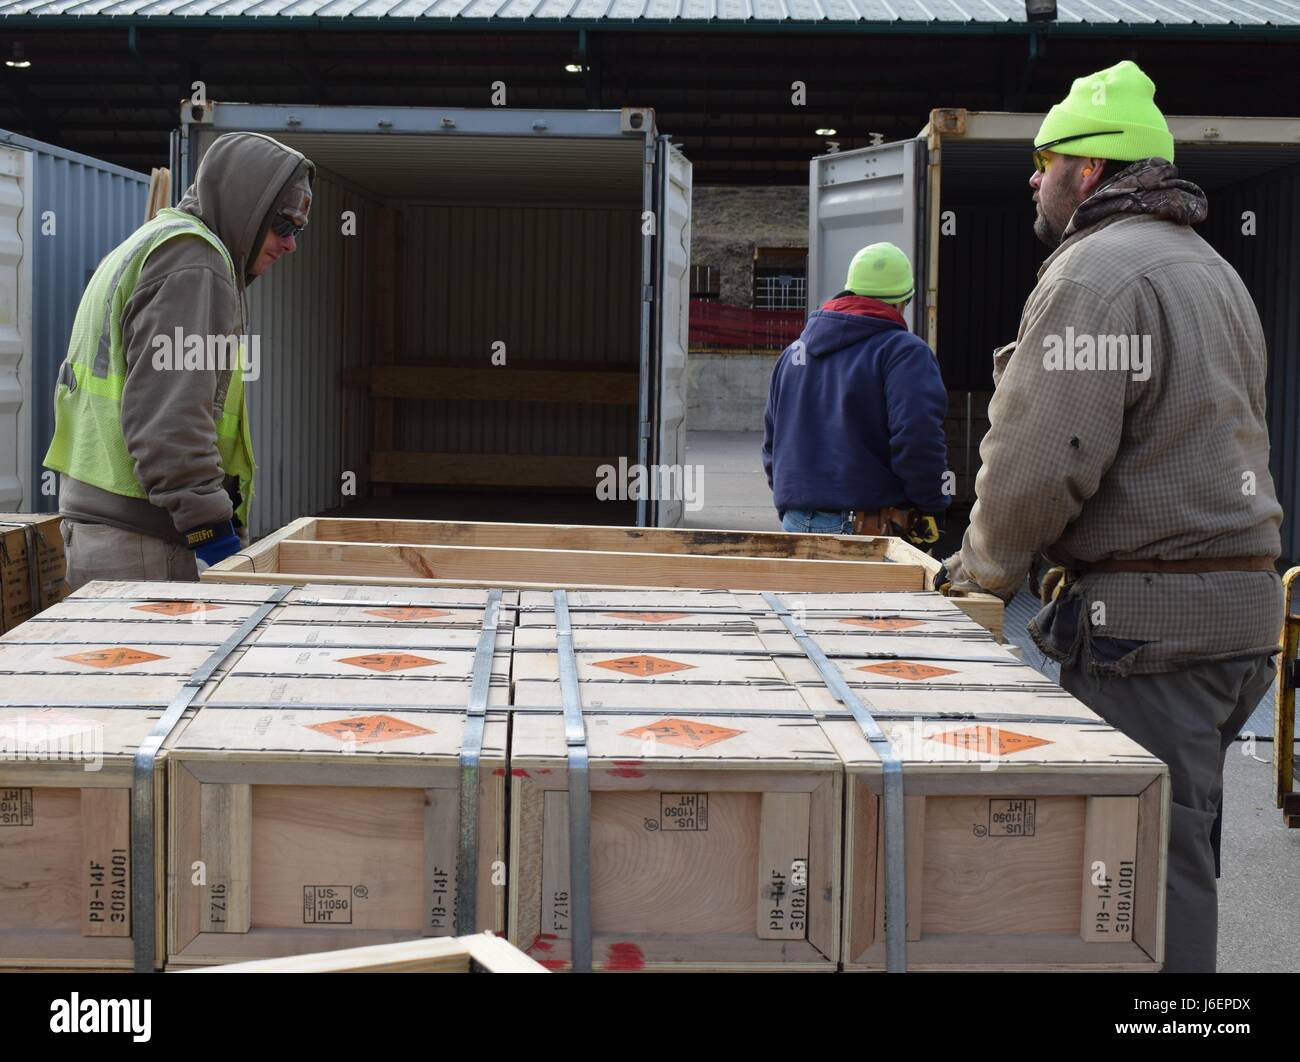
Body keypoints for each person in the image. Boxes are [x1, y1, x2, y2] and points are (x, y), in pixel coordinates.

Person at [936, 60, 1282, 972]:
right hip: (1235, 619)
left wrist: (976, 574)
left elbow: (1039, 461)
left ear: (1088, 172)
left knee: (1142, 870)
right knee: (1179, 848)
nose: (1032, 177)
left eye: (1045, 157)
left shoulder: (1095, 276)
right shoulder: (1211, 269)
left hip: (1151, 633)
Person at [44, 132, 314, 590]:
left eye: (297, 232)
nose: (290, 245)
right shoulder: (195, 263)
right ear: (247, 208)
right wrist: (212, 535)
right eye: (283, 226)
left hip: (105, 530)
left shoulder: (153, 240)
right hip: (144, 543)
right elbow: (170, 420)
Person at [762, 242, 949, 548]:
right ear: (903, 302)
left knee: (804, 599)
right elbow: (918, 438)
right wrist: (930, 504)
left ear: (848, 292)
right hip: (865, 527)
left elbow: (773, 445)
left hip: (794, 522)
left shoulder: (794, 353)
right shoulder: (904, 353)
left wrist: (799, 498)